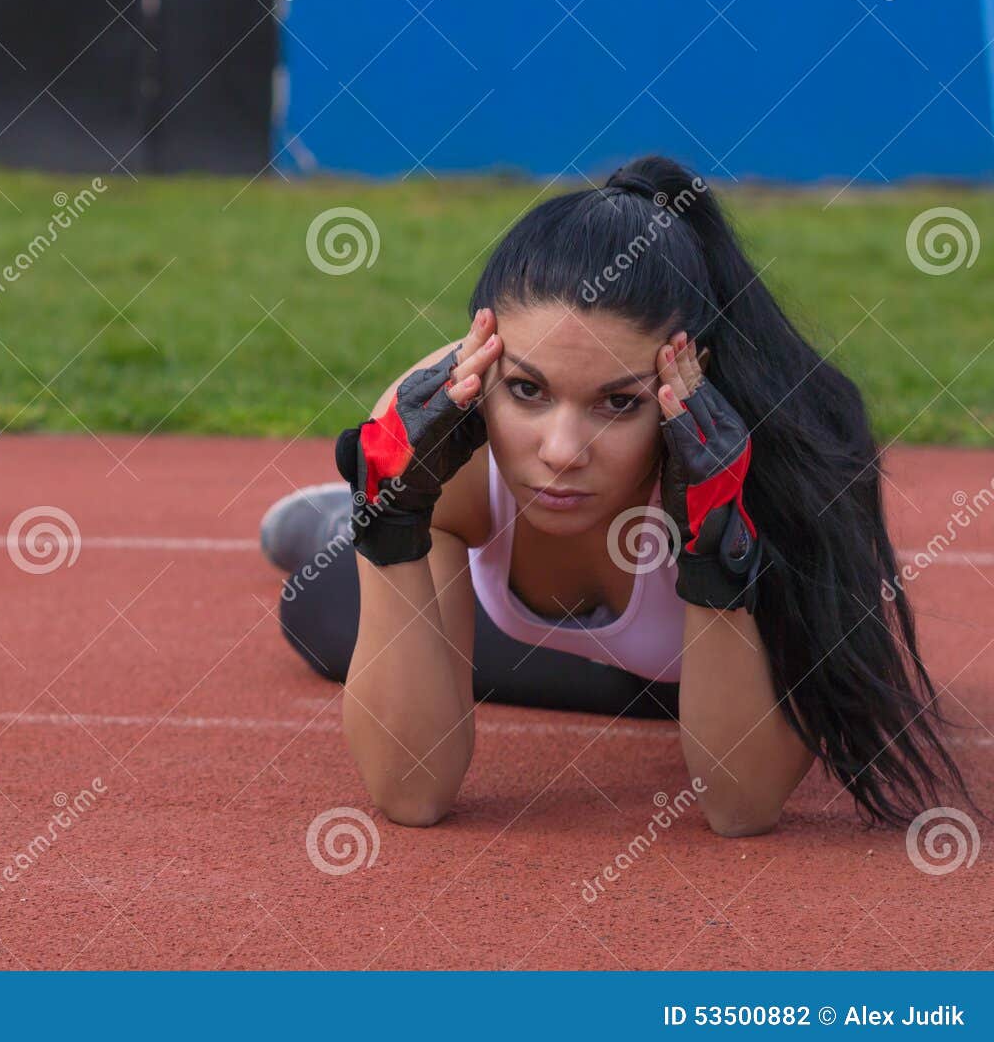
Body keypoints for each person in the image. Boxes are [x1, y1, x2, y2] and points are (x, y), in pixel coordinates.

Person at [261, 155, 979, 836]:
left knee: (658, 702)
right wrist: (388, 515)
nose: (562, 451)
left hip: (684, 672)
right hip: (522, 626)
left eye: (617, 403)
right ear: (479, 360)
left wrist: (715, 536)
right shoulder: (427, 433)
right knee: (315, 610)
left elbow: (741, 806)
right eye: (526, 390)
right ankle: (339, 515)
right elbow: (413, 793)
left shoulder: (779, 461)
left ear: (687, 375)